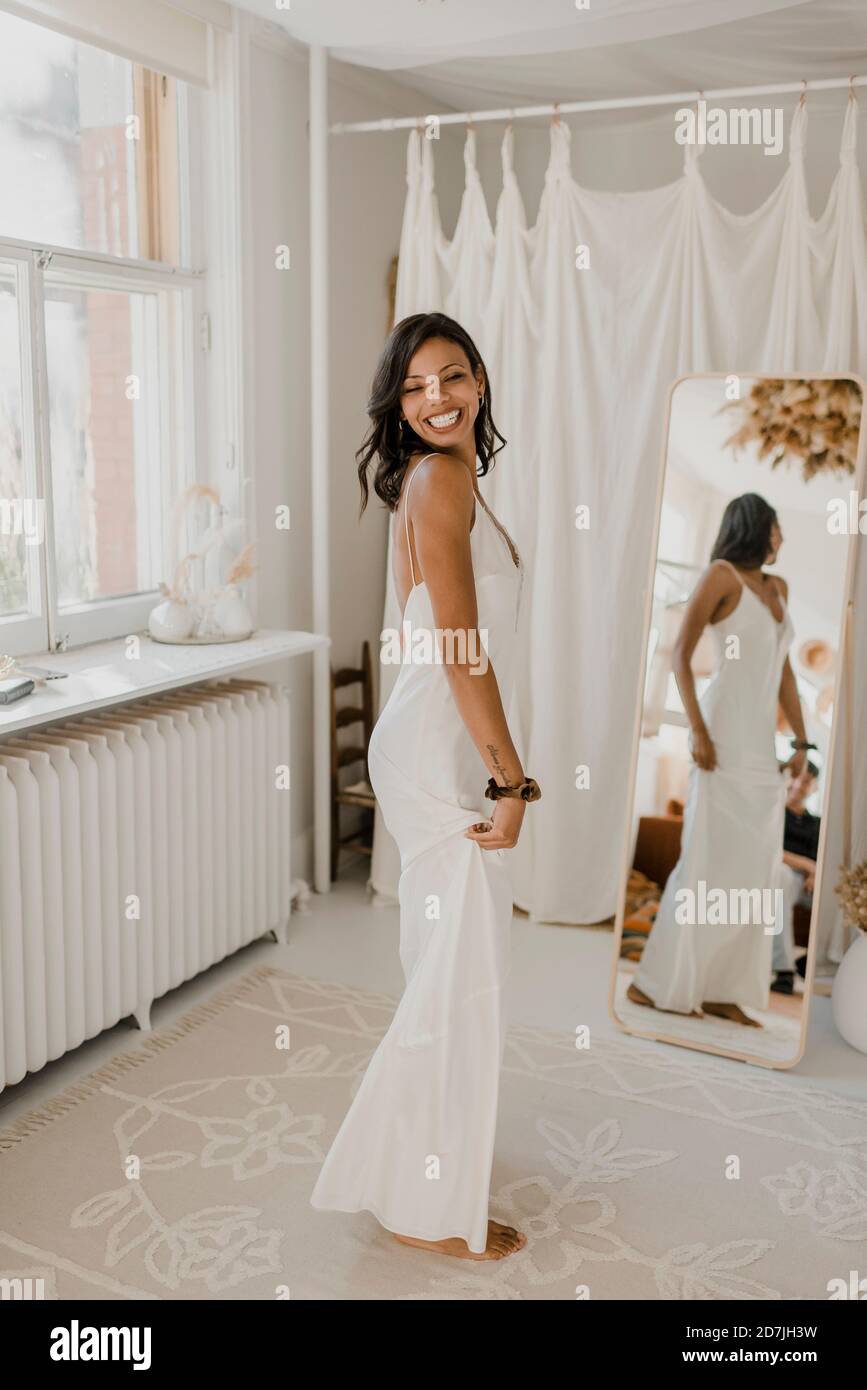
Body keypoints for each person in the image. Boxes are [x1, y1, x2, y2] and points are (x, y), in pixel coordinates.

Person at [310, 312, 539, 1261]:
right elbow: (456, 650)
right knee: (456, 973)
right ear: (397, 406)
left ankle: (421, 1171)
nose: (434, 397)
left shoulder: (451, 484)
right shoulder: (438, 479)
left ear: (478, 381)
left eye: (449, 377)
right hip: (440, 755)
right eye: (412, 387)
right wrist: (512, 779)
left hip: (434, 746)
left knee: (452, 968)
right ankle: (416, 1202)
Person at [628, 493, 810, 1026]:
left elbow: (785, 673)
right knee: (706, 864)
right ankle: (657, 984)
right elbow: (680, 653)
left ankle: (725, 990)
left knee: (754, 873)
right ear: (755, 527)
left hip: (761, 750)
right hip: (722, 736)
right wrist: (697, 732)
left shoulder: (779, 589)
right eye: (776, 529)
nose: (781, 540)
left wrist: (800, 744)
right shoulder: (721, 575)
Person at [772, 761, 821, 993]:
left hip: (811, 884)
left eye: (807, 782)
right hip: (783, 876)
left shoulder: (817, 823)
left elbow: (822, 855)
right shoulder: (776, 813)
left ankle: (814, 962)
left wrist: (816, 871)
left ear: (815, 788)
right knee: (779, 881)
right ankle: (784, 970)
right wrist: (807, 865)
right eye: (799, 779)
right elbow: (772, 850)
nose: (801, 785)